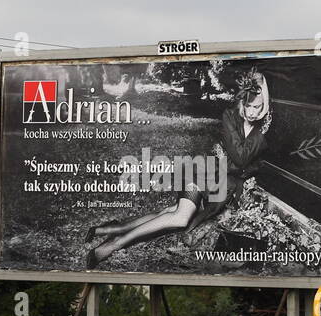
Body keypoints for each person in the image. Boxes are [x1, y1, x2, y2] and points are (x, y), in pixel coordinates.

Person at [86, 71, 272, 268]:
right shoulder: (230, 116)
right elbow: (241, 158)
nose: (252, 112)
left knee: (171, 211)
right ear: (242, 102)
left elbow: (243, 163)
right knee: (181, 218)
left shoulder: (262, 127)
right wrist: (255, 139)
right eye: (248, 105)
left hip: (219, 182)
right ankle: (112, 245)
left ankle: (111, 228)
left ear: (265, 104)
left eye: (257, 107)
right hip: (204, 169)